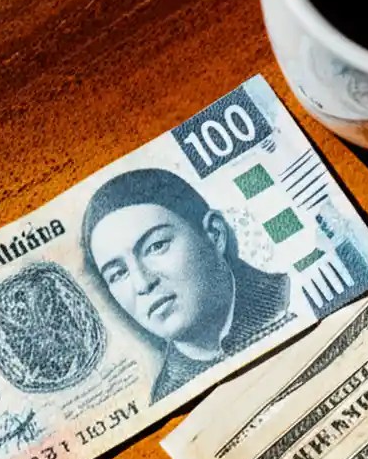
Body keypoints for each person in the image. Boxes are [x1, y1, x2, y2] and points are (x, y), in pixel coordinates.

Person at [83, 168, 293, 402]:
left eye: (156, 246)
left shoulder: (293, 301)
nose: (142, 284)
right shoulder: (166, 398)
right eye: (118, 273)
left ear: (214, 234)